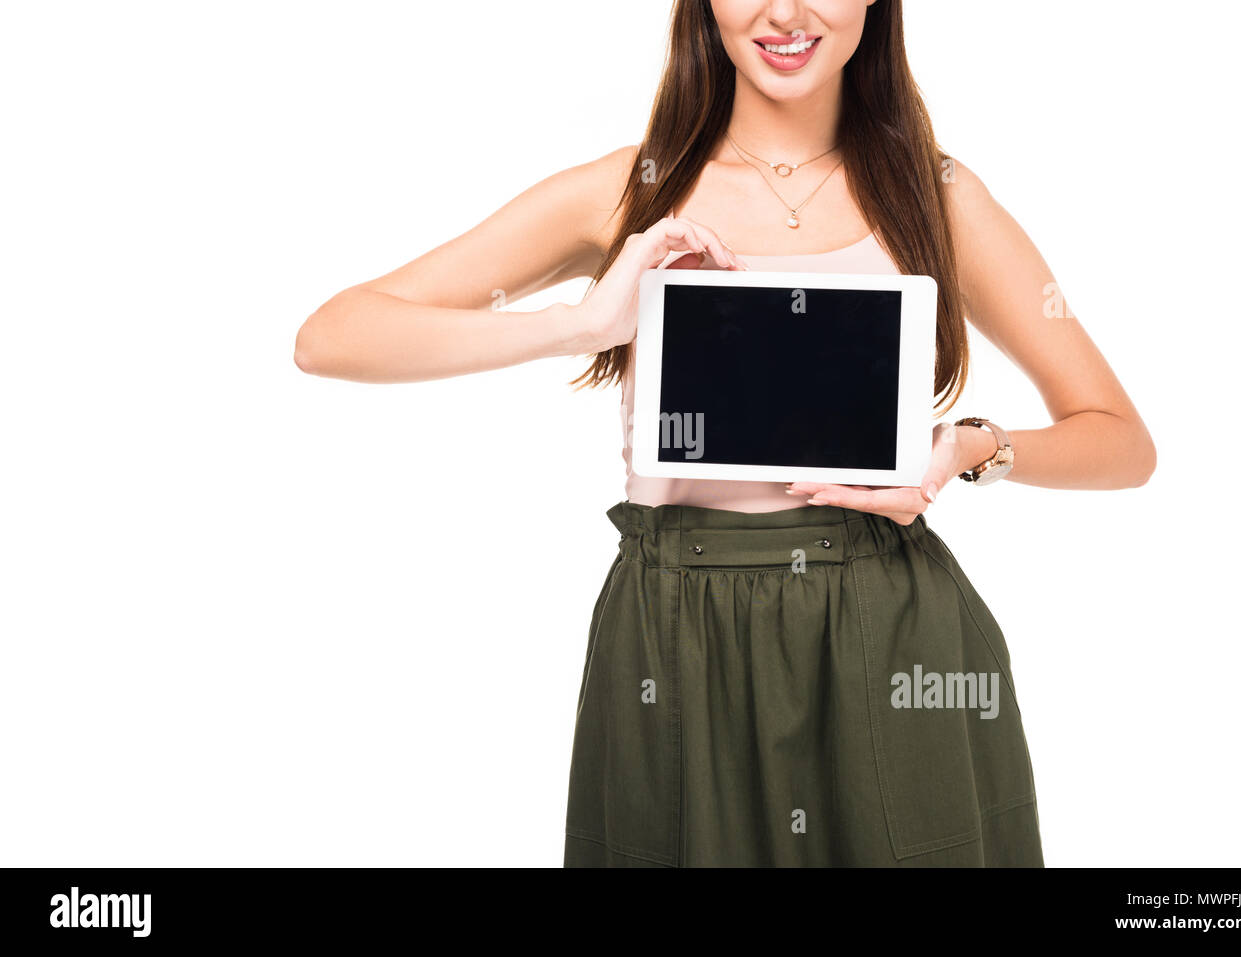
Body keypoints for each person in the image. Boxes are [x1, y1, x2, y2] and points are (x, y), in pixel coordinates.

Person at [294, 0, 1156, 867]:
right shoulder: (629, 189)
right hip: (673, 636)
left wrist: (963, 448)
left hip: (888, 636)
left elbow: (1121, 439)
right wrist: (582, 324)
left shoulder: (934, 191)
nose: (785, 13)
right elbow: (331, 335)